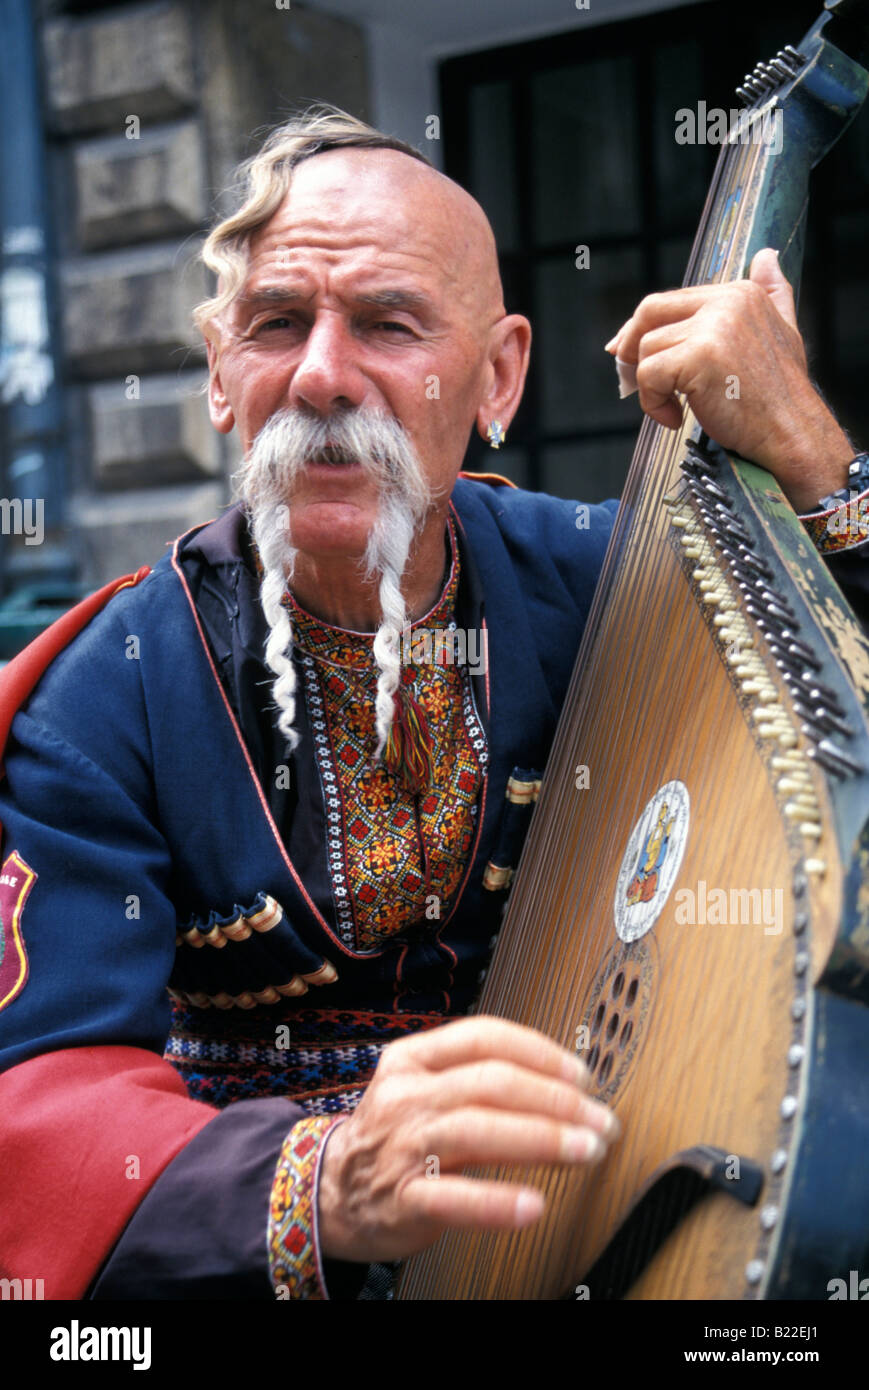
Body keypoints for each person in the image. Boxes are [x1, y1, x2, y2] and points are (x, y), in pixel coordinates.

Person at [0, 107, 866, 1302]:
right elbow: (39, 1099)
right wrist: (325, 1180)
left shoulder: (608, 588)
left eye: (387, 324)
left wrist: (816, 464)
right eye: (273, 324)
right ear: (216, 372)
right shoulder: (108, 690)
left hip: (600, 1233)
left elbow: (834, 701)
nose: (318, 374)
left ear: (498, 373)